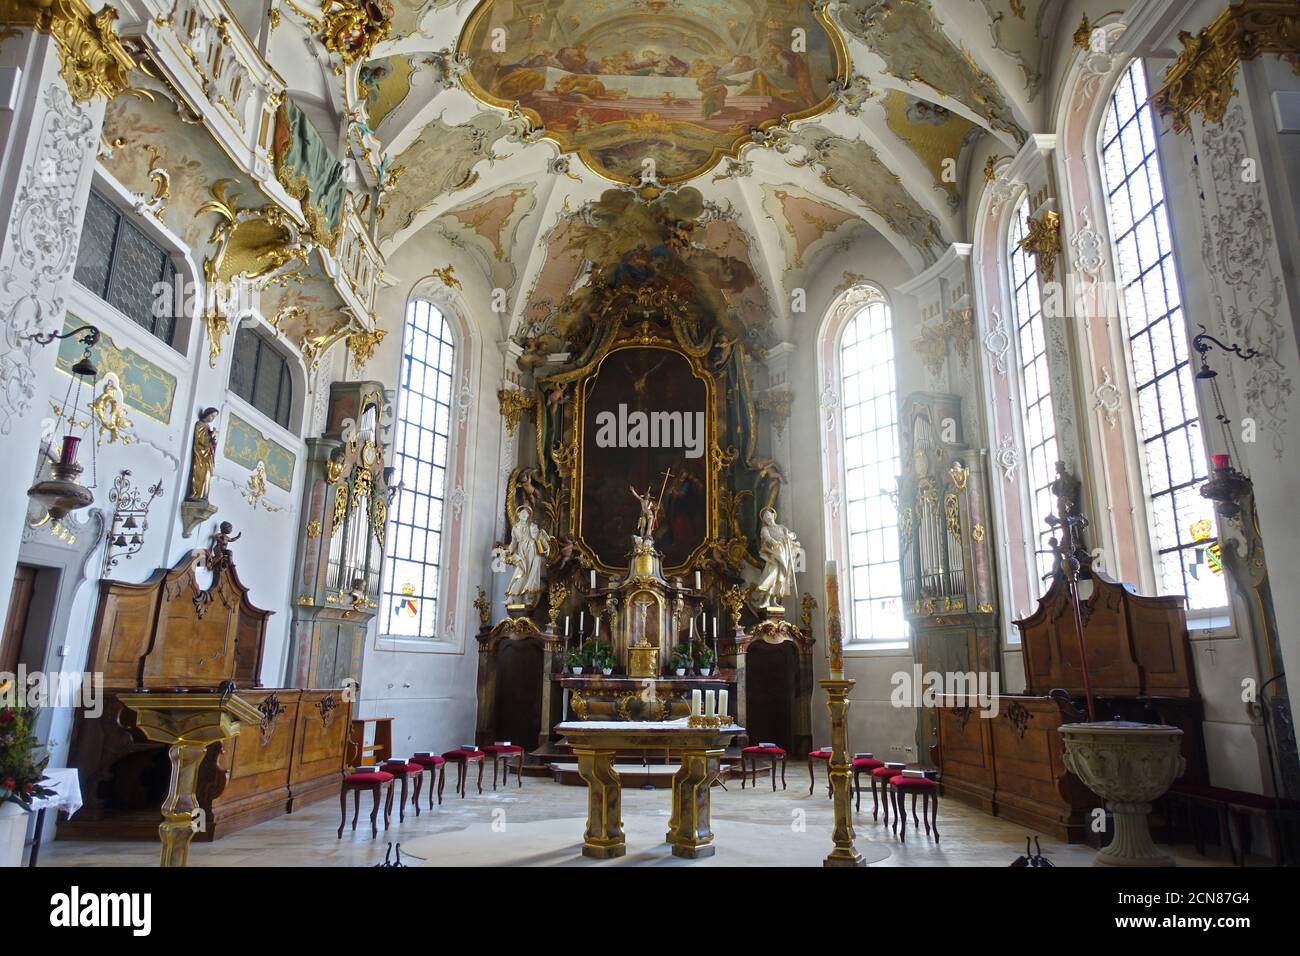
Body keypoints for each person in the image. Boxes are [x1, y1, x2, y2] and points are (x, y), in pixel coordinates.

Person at [495, 506, 552, 601]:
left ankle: (527, 597)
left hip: (532, 552)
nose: (525, 515)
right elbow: (513, 543)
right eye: (523, 513)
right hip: (521, 551)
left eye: (527, 514)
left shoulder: (533, 526)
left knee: (531, 575)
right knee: (519, 571)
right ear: (518, 514)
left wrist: (547, 547)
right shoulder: (515, 528)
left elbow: (540, 537)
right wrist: (508, 551)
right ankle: (512, 596)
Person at [753, 507, 801, 608]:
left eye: (769, 517)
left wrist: (790, 536)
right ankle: (766, 600)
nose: (768, 519)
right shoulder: (765, 529)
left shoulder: (782, 528)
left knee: (780, 577)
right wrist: (774, 542)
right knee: (772, 573)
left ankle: (773, 601)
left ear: (774, 516)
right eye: (766, 518)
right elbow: (767, 537)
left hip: (784, 553)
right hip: (774, 553)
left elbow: (792, 535)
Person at [187, 407, 219, 501]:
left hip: (208, 455)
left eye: (214, 417)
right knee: (200, 474)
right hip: (201, 455)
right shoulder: (200, 425)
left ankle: (203, 495)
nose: (212, 418)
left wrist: (213, 440)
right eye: (212, 415)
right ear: (207, 414)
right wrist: (211, 435)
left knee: (207, 474)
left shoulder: (207, 427)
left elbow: (209, 442)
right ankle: (197, 494)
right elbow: (202, 441)